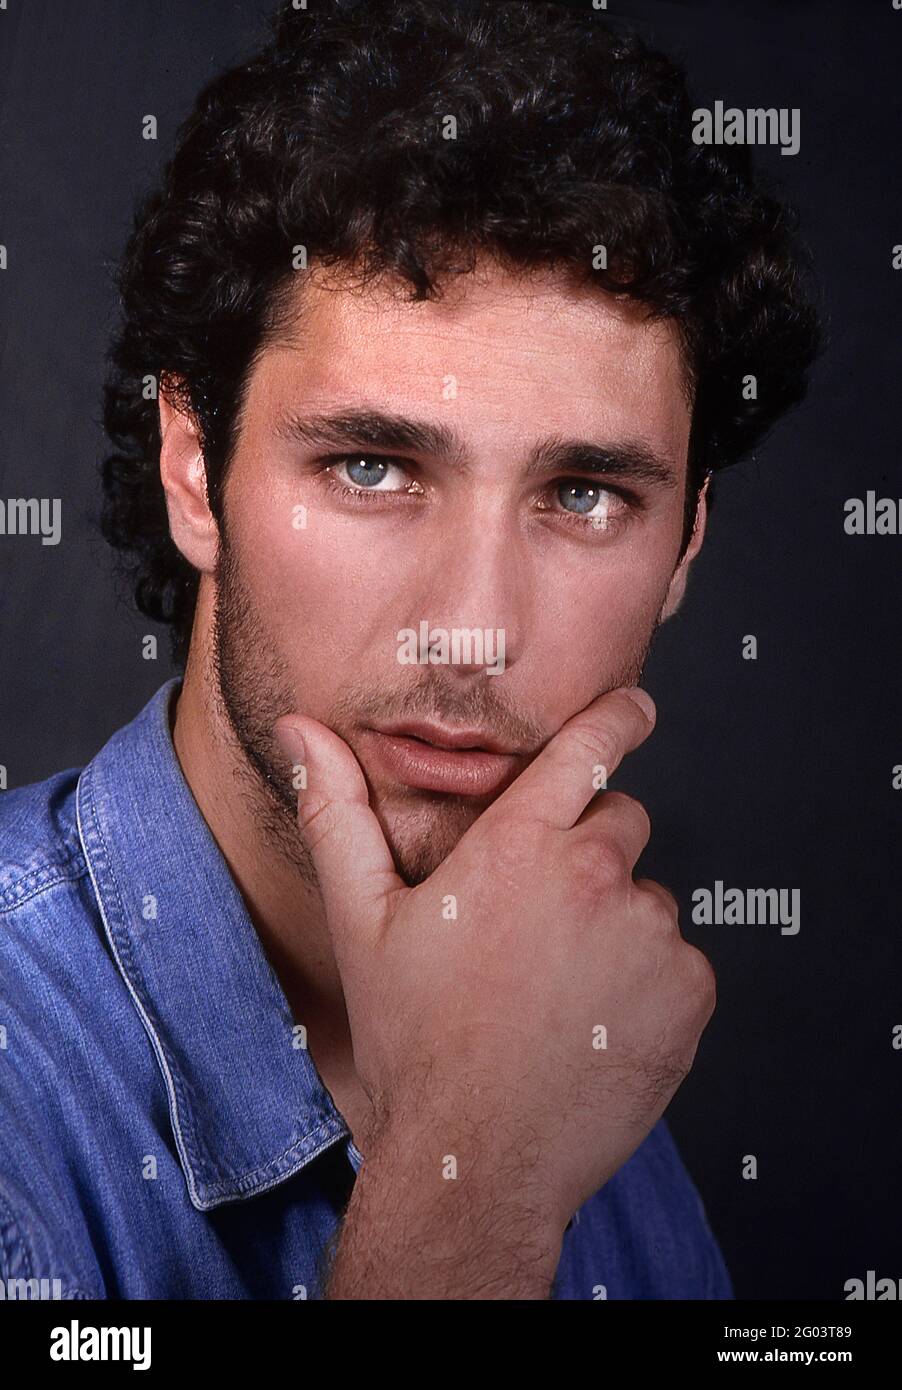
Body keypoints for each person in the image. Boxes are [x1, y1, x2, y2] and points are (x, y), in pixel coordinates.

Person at [0, 0, 819, 1299]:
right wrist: (469, 1190)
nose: (473, 624)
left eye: (583, 494)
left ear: (684, 548)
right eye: (371, 466)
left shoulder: (580, 1036)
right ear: (192, 470)